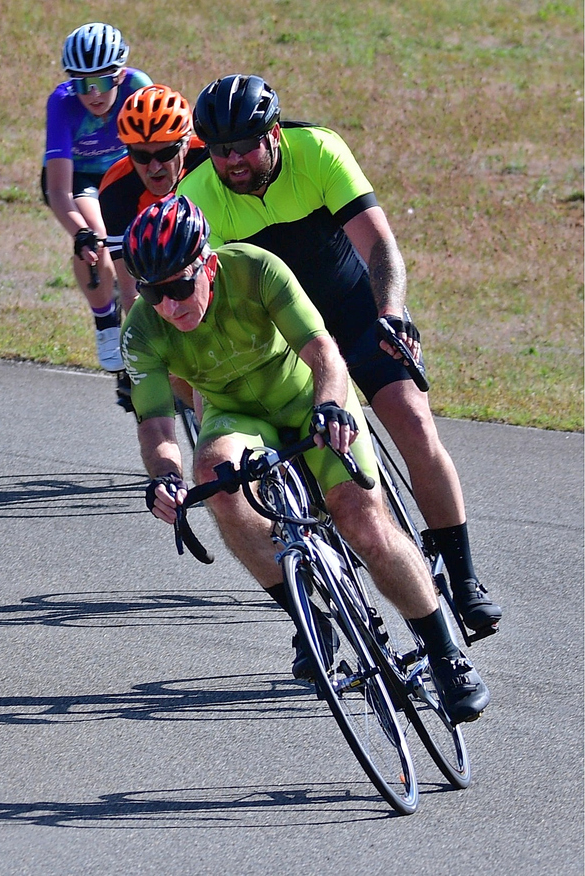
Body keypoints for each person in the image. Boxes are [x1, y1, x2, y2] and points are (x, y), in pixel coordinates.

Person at [120, 194, 490, 726]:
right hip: (235, 416)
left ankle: (446, 652)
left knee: (364, 524)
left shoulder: (256, 270)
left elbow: (323, 353)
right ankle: (308, 615)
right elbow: (155, 423)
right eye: (153, 292)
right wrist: (165, 478)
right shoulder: (142, 330)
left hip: (309, 396)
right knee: (213, 478)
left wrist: (331, 408)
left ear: (210, 264)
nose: (170, 306)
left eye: (179, 286)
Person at [177, 74, 502, 636]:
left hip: (351, 310)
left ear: (273, 134)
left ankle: (463, 572)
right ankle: (317, 599)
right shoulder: (197, 195)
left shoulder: (318, 149)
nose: (231, 160)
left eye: (243, 145)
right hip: (277, 336)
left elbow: (379, 246)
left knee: (412, 417)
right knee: (281, 465)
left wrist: (392, 312)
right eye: (219, 148)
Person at [42, 22, 152, 372]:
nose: (92, 94)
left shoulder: (138, 87)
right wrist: (80, 235)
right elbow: (59, 190)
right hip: (79, 179)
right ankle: (106, 321)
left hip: (127, 170)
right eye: (81, 83)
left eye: (102, 81)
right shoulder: (62, 103)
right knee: (98, 238)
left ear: (119, 76)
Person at [99, 84, 207, 313]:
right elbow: (131, 292)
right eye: (141, 155)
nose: (154, 167)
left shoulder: (210, 159)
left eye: (165, 153)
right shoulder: (116, 191)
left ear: (186, 143)